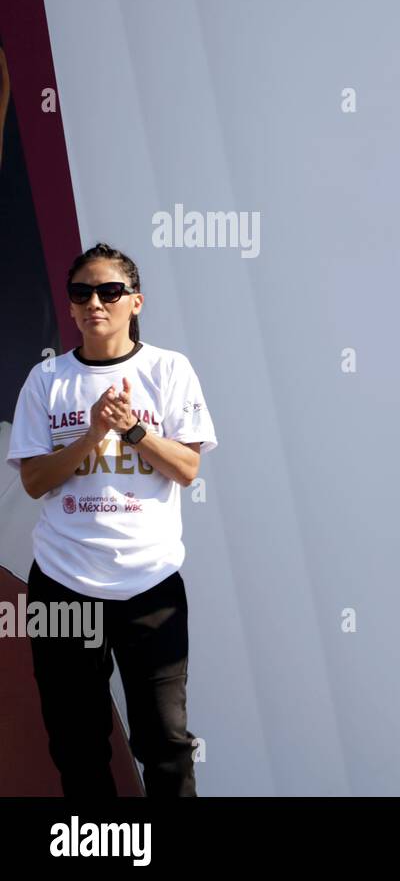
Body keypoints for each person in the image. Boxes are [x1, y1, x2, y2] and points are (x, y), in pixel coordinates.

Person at [6, 243, 217, 796]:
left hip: (150, 586)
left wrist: (133, 431)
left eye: (109, 291)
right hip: (62, 585)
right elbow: (34, 481)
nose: (94, 302)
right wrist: (93, 434)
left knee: (165, 743)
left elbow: (188, 468)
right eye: (81, 293)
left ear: (134, 302)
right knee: (76, 744)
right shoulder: (46, 380)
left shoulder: (168, 369)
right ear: (70, 307)